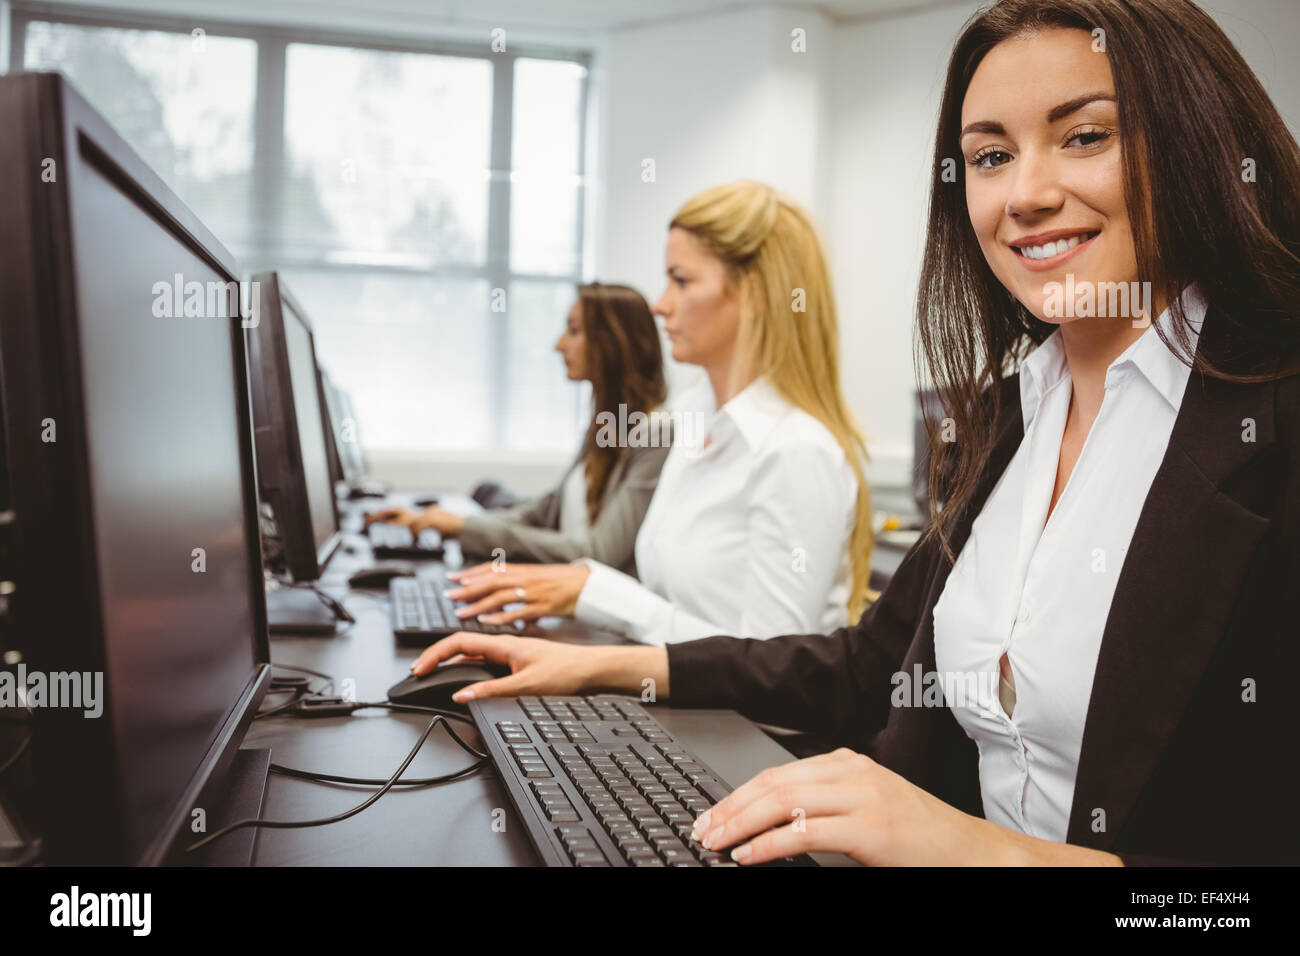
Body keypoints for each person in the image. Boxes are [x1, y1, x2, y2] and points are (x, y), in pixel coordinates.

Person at [409, 0, 1300, 865]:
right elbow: (863, 666)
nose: (1025, 194)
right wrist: (610, 668)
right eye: (989, 155)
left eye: (1086, 136)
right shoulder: (1010, 414)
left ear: (1197, 140)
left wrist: (979, 852)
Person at [442, 181, 875, 646]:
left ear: (756, 294)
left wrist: (593, 593)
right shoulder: (692, 425)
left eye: (682, 280)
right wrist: (565, 619)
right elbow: (667, 611)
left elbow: (774, 666)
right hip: (679, 706)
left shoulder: (795, 451)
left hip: (748, 721)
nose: (659, 303)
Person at [367, 283, 670, 575]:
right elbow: (545, 512)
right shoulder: (605, 425)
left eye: (574, 331)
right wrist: (453, 524)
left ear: (613, 344)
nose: (559, 344)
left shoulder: (656, 435)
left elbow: (599, 553)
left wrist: (465, 529)